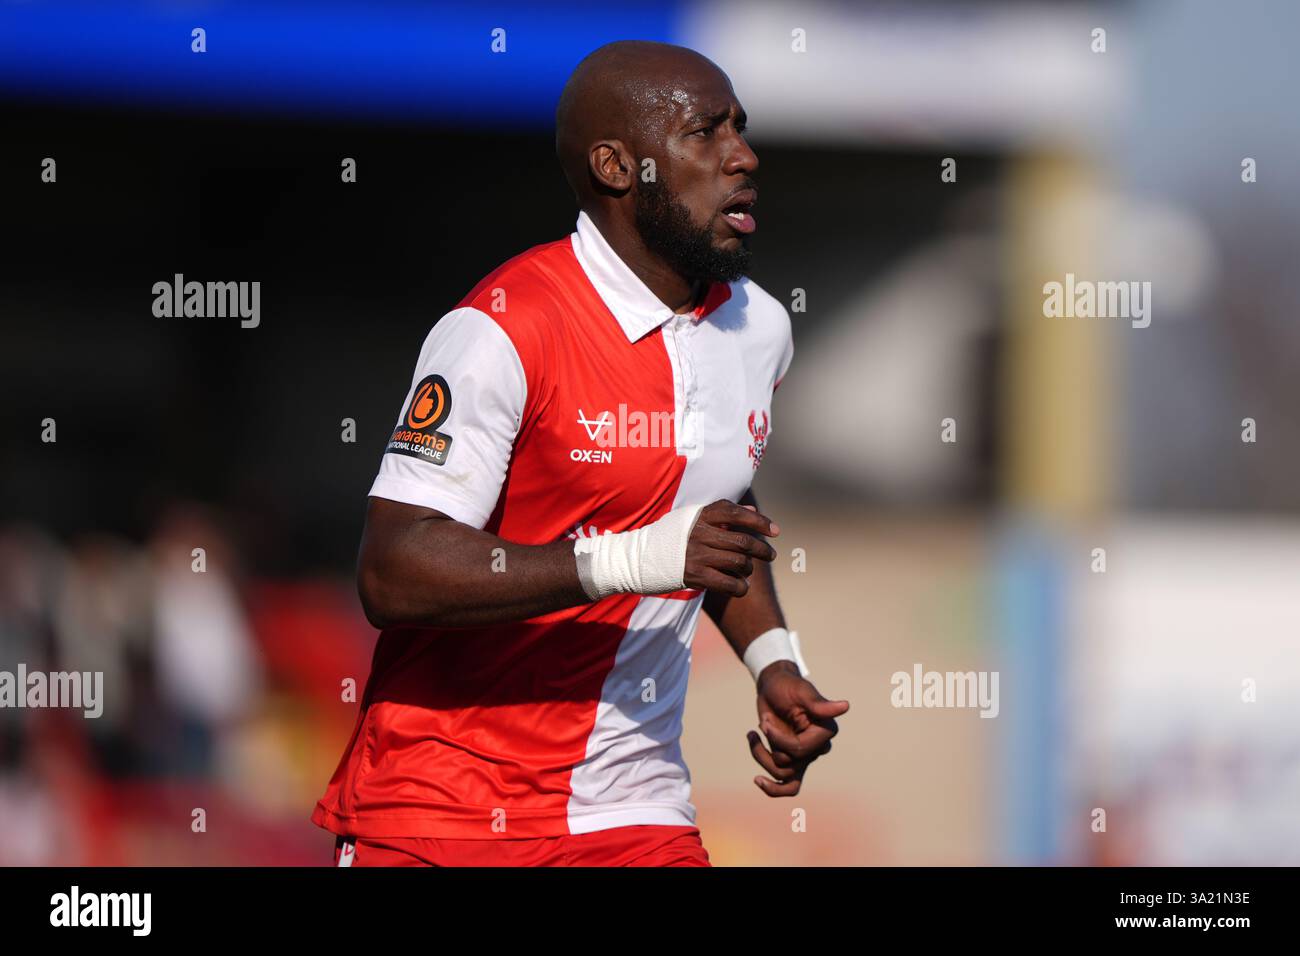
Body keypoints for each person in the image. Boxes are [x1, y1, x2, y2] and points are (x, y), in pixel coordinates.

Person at [313, 39, 849, 867]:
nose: (742, 157)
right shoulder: (500, 329)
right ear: (615, 167)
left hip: (635, 810)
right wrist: (630, 559)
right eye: (705, 133)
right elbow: (393, 570)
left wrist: (775, 661)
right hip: (444, 808)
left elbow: (719, 515)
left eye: (740, 128)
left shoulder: (759, 329)